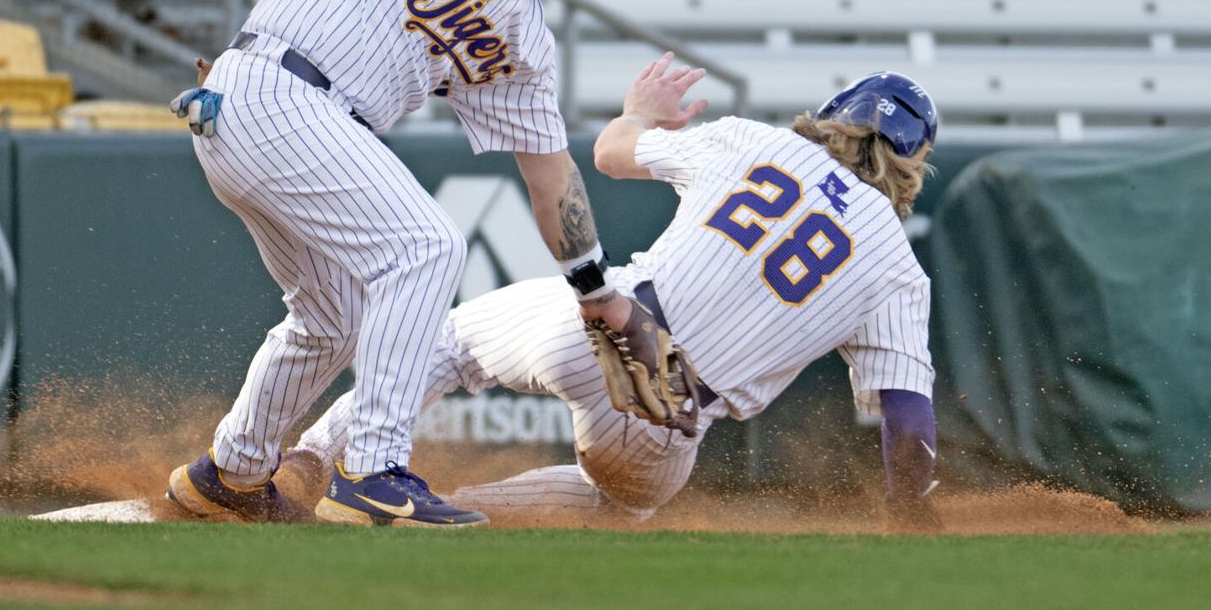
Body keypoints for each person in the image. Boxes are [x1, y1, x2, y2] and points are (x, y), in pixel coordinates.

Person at [93, 0, 669, 527]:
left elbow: (552, 180)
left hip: (288, 118)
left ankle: (231, 476)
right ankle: (373, 470)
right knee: (426, 247)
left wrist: (596, 294)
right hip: (278, 91)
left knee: (330, 322)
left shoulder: (521, 30)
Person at [283, 53, 942, 529]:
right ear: (913, 163)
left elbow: (611, 153)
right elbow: (908, 424)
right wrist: (910, 513)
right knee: (625, 505)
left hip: (599, 329)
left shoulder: (756, 142)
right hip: (668, 423)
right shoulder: (896, 266)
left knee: (450, 342)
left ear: (832, 119)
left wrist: (637, 114)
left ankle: (313, 457)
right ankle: (467, 514)